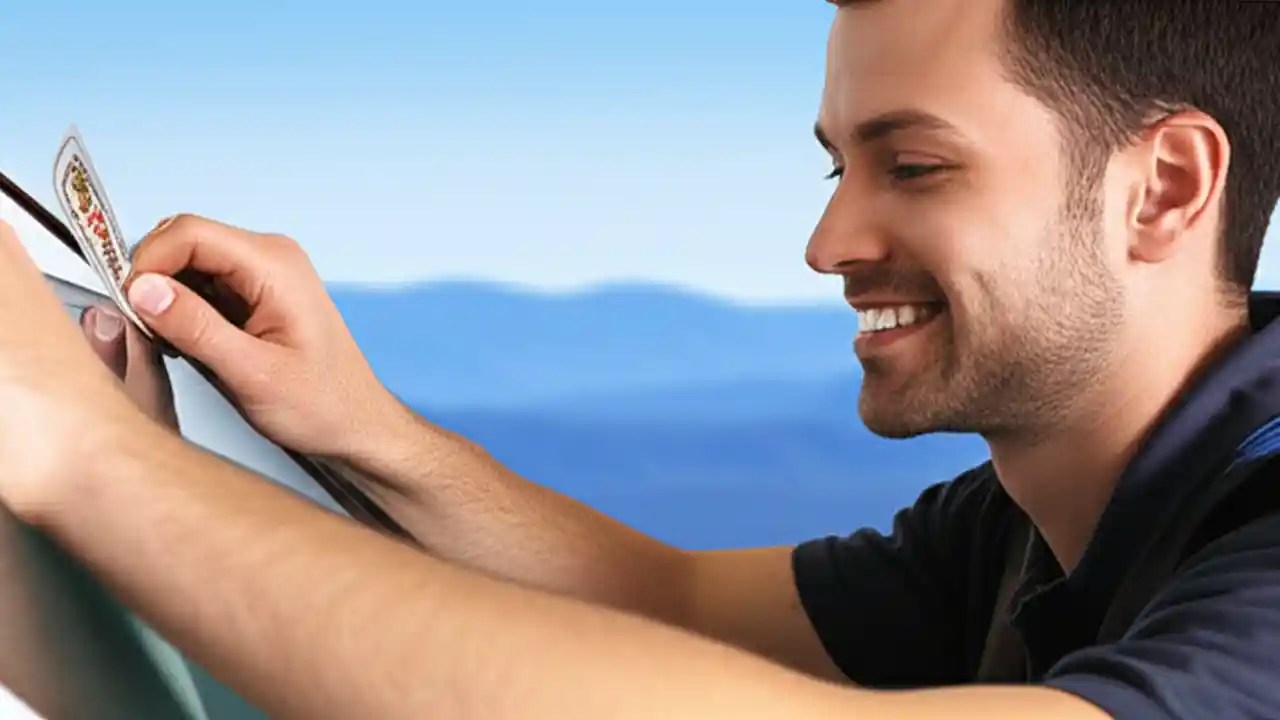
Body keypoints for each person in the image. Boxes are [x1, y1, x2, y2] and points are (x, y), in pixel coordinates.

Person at [1, 0, 1277, 716]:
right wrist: (361, 426)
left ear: (1161, 188)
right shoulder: (1021, 526)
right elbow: (663, 603)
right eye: (839, 167)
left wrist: (87, 456)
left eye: (916, 167)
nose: (828, 239)